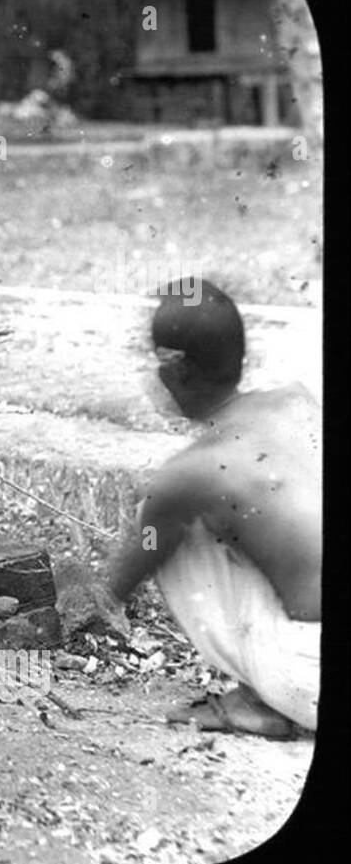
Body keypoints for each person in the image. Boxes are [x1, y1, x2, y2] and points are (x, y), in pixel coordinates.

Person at [105, 279, 320, 737]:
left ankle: (260, 697)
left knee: (160, 525)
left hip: (308, 680)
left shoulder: (191, 474)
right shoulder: (297, 402)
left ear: (176, 370)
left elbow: (127, 573)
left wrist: (100, 594)